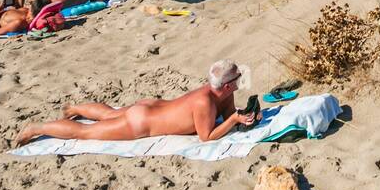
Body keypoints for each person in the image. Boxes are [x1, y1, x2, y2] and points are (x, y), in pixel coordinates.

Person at [14, 60, 256, 147]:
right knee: (85, 132)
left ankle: (74, 109)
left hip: (150, 107)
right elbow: (207, 136)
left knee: (110, 114)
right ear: (227, 85)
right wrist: (234, 120)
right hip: (142, 123)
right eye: (237, 78)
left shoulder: (222, 93)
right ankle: (38, 128)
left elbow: (228, 113)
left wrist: (240, 116)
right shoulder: (204, 102)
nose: (240, 80)